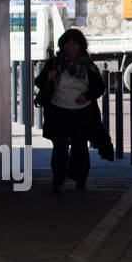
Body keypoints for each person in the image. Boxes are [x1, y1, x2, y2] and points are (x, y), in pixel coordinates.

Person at [34, 28, 107, 193]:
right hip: (58, 112)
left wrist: (86, 96)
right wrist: (48, 77)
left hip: (82, 113)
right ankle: (58, 180)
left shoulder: (88, 65)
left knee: (80, 147)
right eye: (68, 44)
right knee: (59, 147)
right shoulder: (54, 63)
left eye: (74, 44)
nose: (71, 47)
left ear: (80, 46)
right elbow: (39, 82)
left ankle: (80, 179)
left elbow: (99, 86)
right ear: (63, 45)